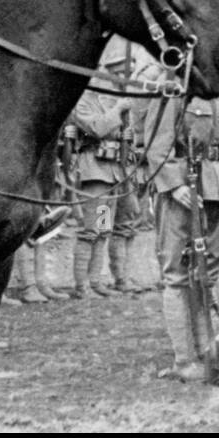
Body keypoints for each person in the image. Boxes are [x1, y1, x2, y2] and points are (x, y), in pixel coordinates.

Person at [146, 88, 219, 382]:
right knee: (176, 272)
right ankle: (183, 359)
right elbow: (156, 144)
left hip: (218, 188)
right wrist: (174, 185)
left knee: (207, 273)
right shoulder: (173, 87)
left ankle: (206, 350)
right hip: (182, 188)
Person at [70, 36, 160, 297]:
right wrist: (118, 109)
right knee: (90, 230)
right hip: (94, 171)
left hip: (114, 172)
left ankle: (96, 281)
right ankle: (82, 285)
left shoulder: (118, 100)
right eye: (117, 71)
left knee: (103, 229)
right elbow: (96, 128)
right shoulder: (86, 98)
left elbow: (127, 134)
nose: (121, 77)